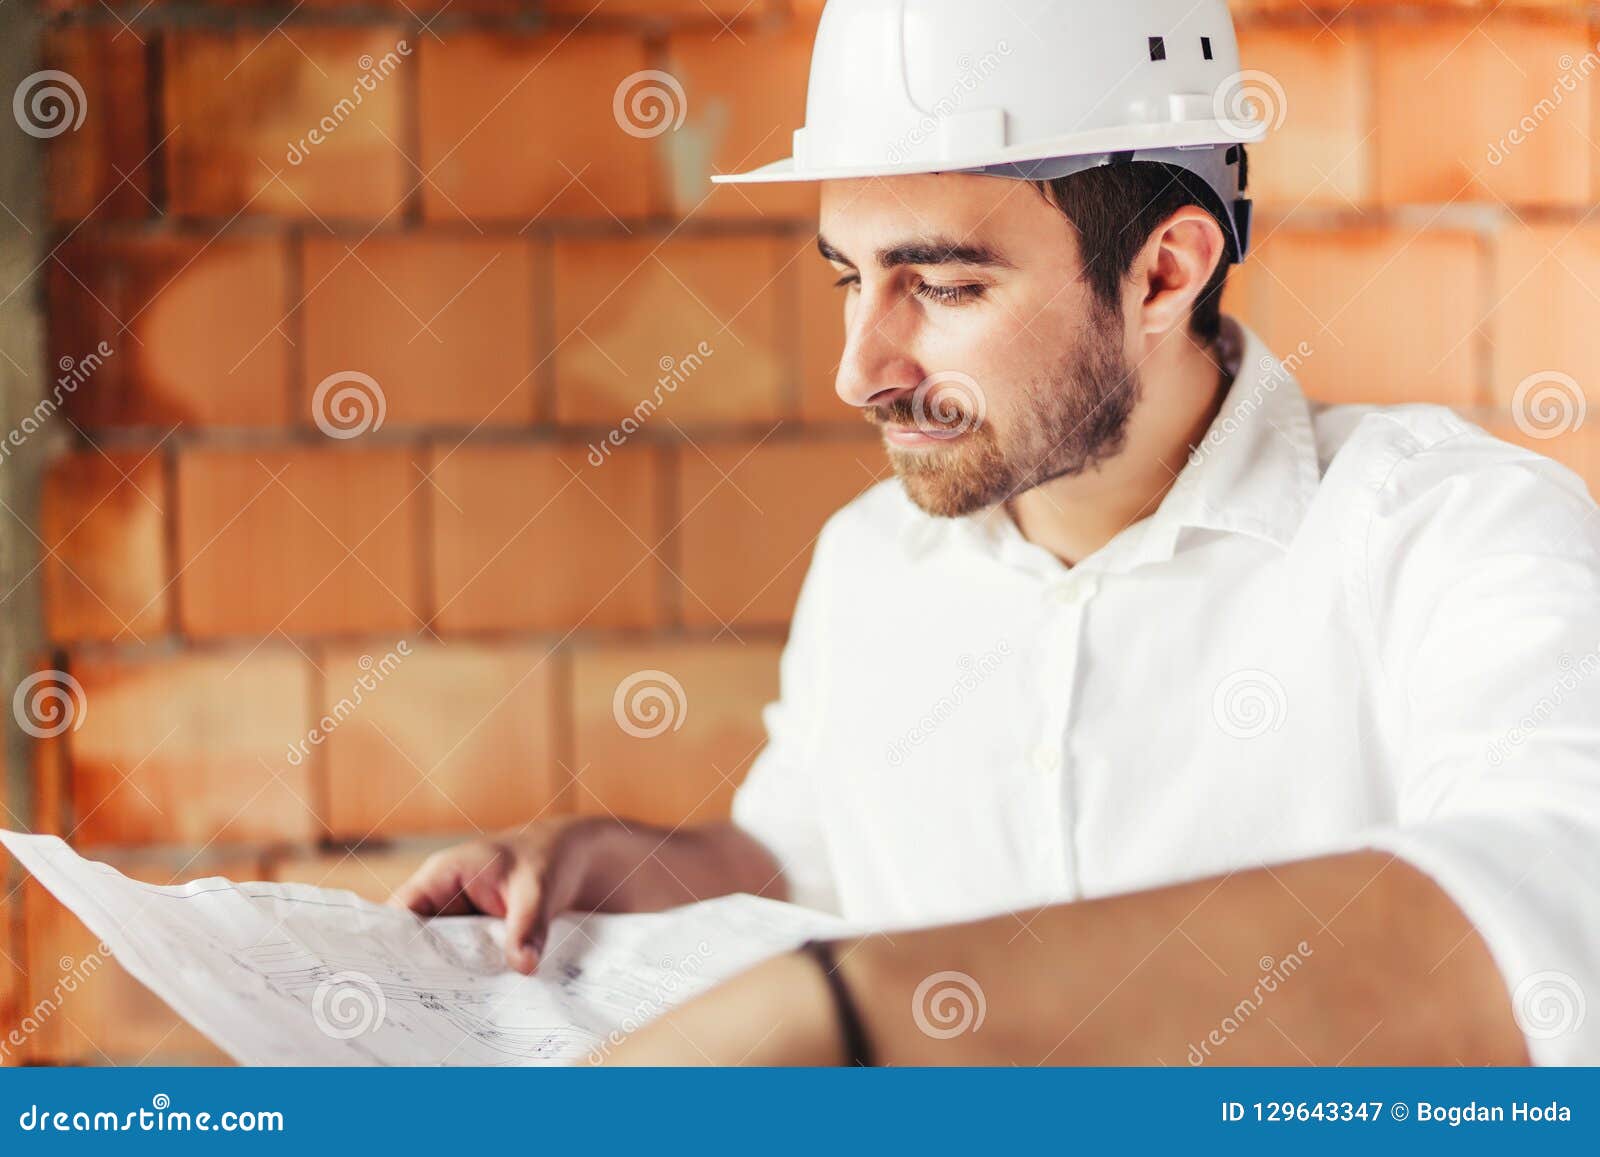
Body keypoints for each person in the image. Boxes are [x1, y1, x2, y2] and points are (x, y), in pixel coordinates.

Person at [390, 0, 1599, 1066]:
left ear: (1164, 273)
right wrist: (620, 864)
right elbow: (811, 857)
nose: (860, 370)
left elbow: (1556, 902)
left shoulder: (1453, 531)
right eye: (849, 279)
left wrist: (867, 1013)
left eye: (945, 286)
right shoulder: (872, 559)